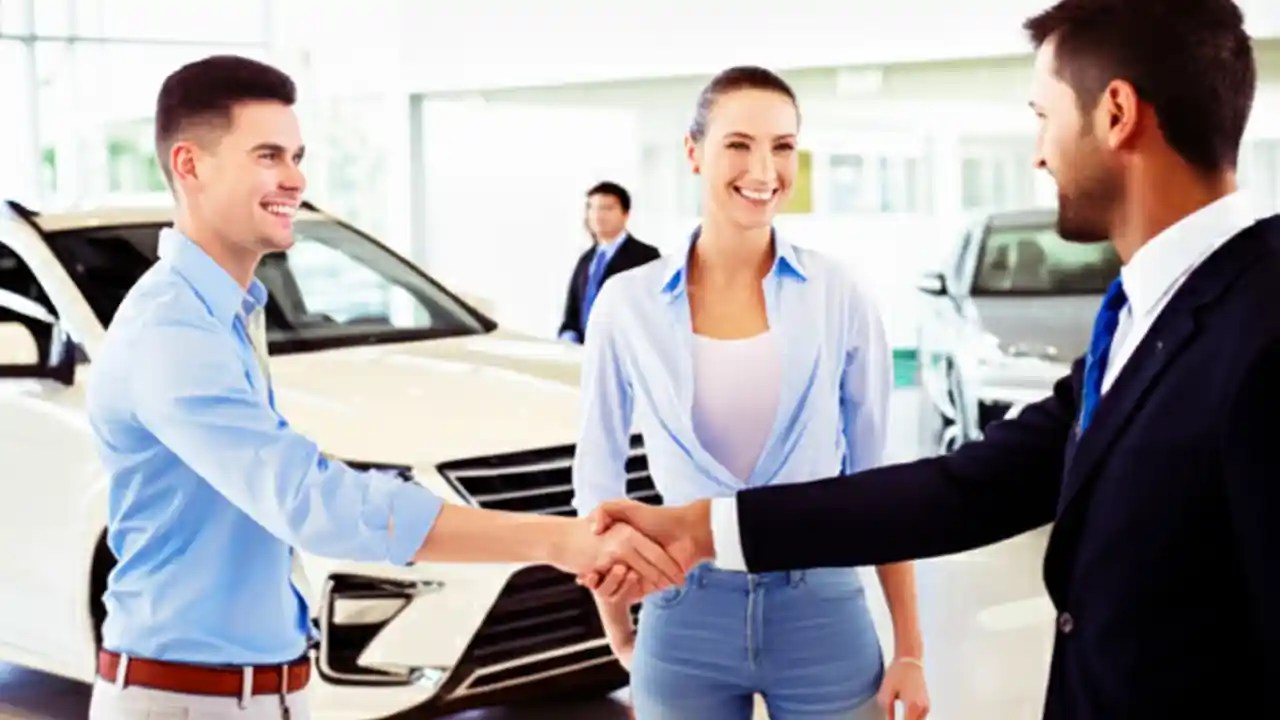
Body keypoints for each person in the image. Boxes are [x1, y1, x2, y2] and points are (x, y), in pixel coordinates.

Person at [583, 1, 1278, 718]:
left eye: (1043, 116)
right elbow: (964, 489)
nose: (1037, 153)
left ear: (1117, 113)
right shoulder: (1142, 316)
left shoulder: (1266, 328)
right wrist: (705, 529)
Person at [85, 55, 684, 720]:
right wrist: (559, 541)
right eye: (267, 156)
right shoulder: (172, 330)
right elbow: (314, 503)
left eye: (296, 155)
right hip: (186, 704)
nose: (294, 179)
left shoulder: (226, 313)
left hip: (261, 694)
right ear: (190, 165)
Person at [573, 66, 929, 720]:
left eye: (783, 146)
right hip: (683, 610)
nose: (764, 168)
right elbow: (596, 476)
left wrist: (910, 646)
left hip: (821, 605)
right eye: (738, 144)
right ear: (693, 151)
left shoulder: (838, 293)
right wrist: (617, 623)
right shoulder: (627, 304)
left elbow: (881, 482)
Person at [558, 181, 660, 344]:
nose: (598, 215)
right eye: (592, 208)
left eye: (607, 208)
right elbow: (571, 315)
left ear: (626, 214)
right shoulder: (585, 260)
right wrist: (568, 339)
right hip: (581, 355)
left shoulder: (646, 257)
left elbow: (651, 317)